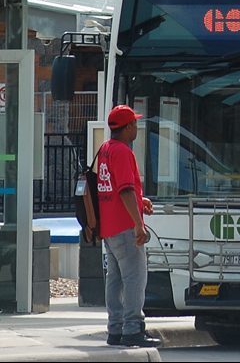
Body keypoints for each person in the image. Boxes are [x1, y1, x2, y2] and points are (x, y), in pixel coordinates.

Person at [97, 104, 160, 348]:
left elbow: (113, 187)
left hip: (110, 227)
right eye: (134, 123)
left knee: (114, 279)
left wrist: (139, 200)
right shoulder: (123, 151)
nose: (136, 126)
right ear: (128, 127)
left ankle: (115, 329)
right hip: (125, 227)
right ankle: (133, 329)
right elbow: (124, 189)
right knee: (135, 278)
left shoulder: (105, 149)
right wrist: (138, 224)